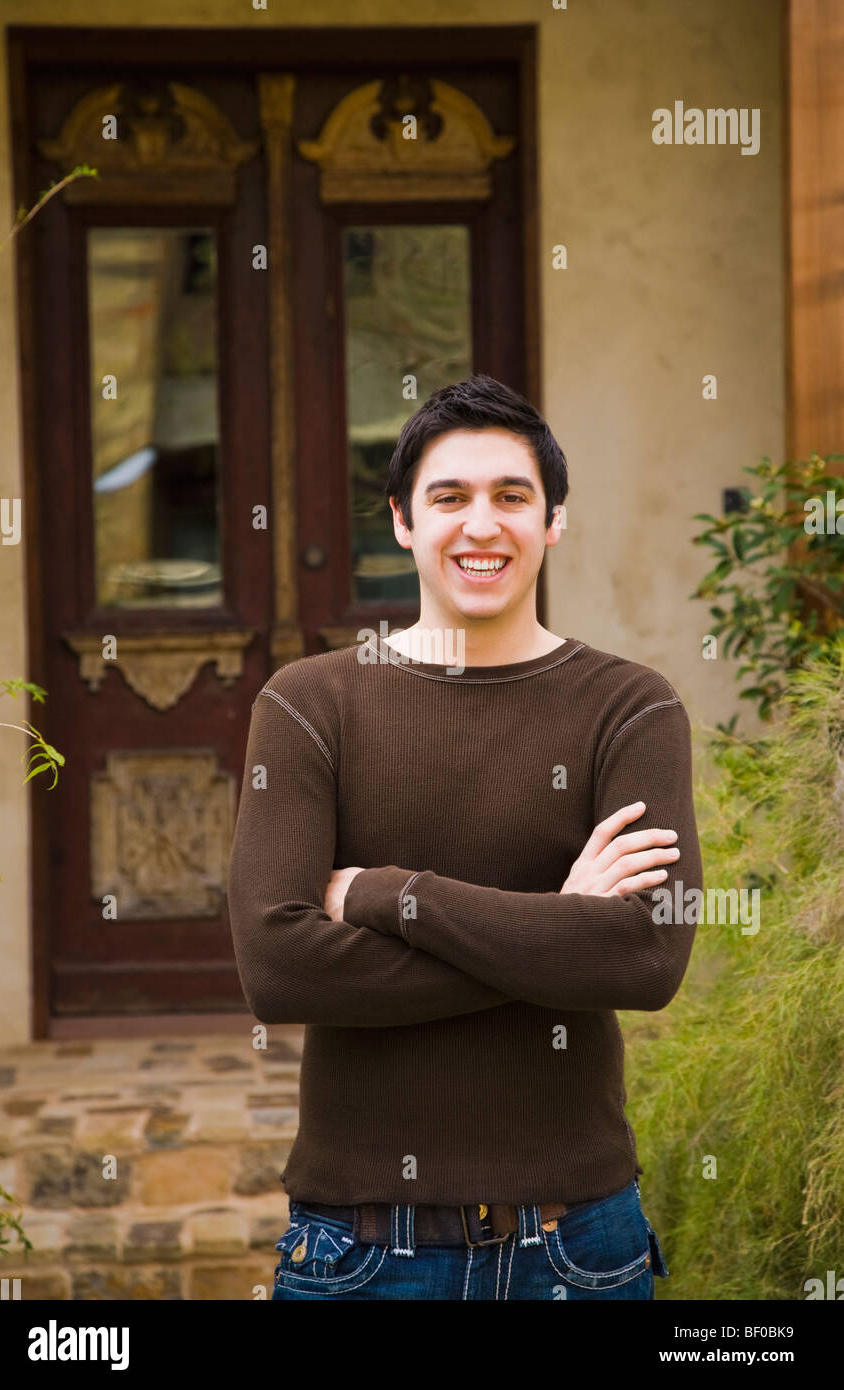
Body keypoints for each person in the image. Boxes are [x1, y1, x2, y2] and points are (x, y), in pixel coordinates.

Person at [227, 373, 703, 1300]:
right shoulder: (310, 703)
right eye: (450, 497)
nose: (480, 525)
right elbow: (278, 969)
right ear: (403, 521)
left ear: (553, 520)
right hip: (361, 1246)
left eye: (511, 497)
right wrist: (558, 929)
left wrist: (383, 896)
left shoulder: (631, 707)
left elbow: (646, 961)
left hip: (578, 1243)